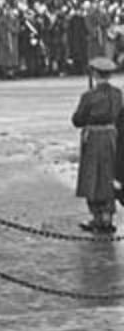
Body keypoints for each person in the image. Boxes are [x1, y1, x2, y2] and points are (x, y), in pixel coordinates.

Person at [71, 57, 123, 233]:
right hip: (111, 137)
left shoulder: (89, 96)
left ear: (94, 74)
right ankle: (108, 214)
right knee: (109, 175)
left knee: (92, 176)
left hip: (93, 138)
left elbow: (78, 120)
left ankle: (97, 216)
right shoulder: (117, 94)